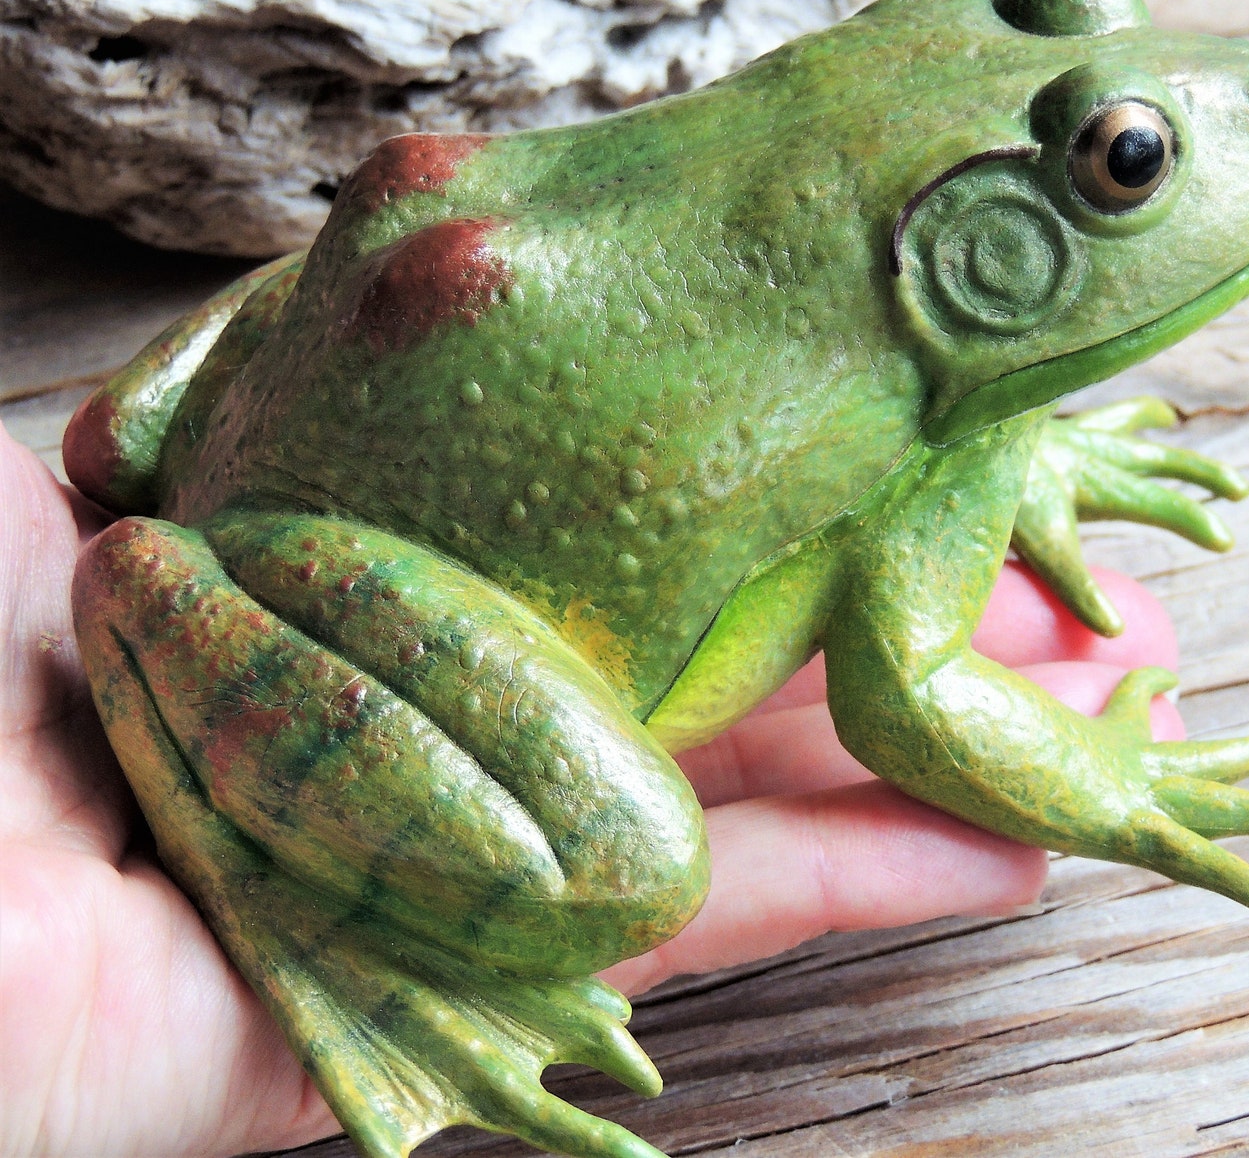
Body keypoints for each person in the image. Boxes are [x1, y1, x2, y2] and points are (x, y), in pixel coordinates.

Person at [0, 421, 1183, 1158]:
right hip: (301, 570)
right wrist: (1111, 783)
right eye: (1130, 162)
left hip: (297, 444)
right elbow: (906, 696)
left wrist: (1014, 441)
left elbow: (120, 432)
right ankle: (283, 902)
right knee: (632, 868)